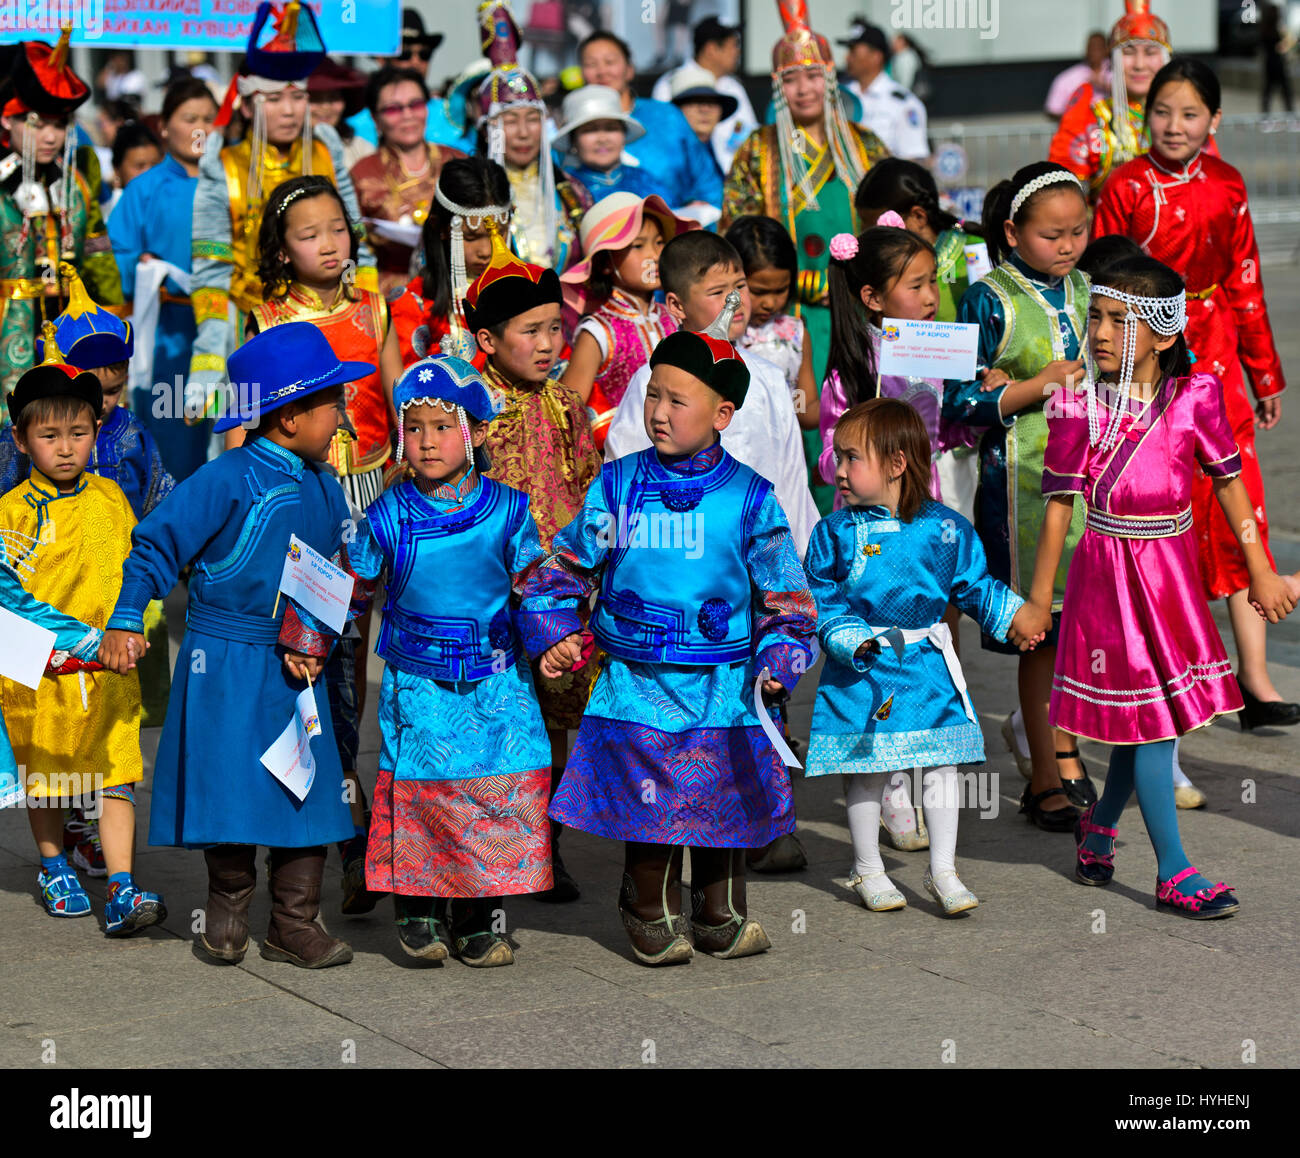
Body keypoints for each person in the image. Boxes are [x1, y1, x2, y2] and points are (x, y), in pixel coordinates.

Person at [519, 307, 819, 964]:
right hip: (636, 680)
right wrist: (556, 631)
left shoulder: (750, 498)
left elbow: (788, 599)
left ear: (721, 416)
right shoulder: (620, 486)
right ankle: (644, 902)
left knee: (723, 795)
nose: (658, 410)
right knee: (651, 801)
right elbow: (565, 566)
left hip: (725, 680)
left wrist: (780, 656)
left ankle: (720, 913)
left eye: (677, 400)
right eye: (653, 393)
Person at [1022, 254, 1295, 919]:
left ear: (1165, 333)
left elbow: (1230, 482)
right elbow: (1059, 505)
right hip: (1107, 579)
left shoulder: (1195, 397)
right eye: (1097, 317)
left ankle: (1100, 831)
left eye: (1122, 320)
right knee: (1151, 724)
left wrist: (1258, 567)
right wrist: (1037, 597)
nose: (1105, 332)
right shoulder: (1076, 402)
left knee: (1148, 720)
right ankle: (1174, 870)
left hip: (1170, 575)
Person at [99, 322, 371, 968]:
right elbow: (155, 544)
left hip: (298, 667)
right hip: (223, 659)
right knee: (230, 786)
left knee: (305, 791)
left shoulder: (326, 483)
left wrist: (319, 639)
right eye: (330, 402)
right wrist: (127, 618)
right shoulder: (225, 478)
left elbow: (335, 568)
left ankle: (293, 923)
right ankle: (226, 908)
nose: (340, 415)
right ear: (287, 415)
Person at [1093, 58, 1296, 733]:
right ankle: (1167, 674)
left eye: (1189, 114)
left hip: (1218, 359)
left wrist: (1262, 374)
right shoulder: (1124, 186)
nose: (1174, 126)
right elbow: (1105, 281)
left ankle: (1257, 681)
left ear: (1213, 120)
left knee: (1242, 508)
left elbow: (1246, 279)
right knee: (1166, 515)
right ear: (1143, 115)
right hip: (1151, 359)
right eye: (1162, 112)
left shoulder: (1229, 184)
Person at [350, 355, 554, 966]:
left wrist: (556, 639)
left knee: (494, 791)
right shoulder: (389, 514)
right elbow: (354, 586)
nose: (426, 441)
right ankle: (418, 911)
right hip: (418, 683)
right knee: (424, 791)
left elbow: (535, 585)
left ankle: (477, 916)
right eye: (414, 429)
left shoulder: (509, 510)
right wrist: (306, 641)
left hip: (498, 681)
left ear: (476, 434)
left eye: (442, 427)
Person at [804, 398, 1044, 914]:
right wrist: (849, 639)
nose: (838, 471)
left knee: (942, 765)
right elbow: (822, 597)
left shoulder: (945, 528)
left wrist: (1016, 614)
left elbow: (973, 585)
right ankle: (867, 867)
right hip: (862, 667)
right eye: (837, 458)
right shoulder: (833, 533)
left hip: (927, 664)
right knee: (867, 769)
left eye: (851, 459)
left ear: (896, 464)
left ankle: (943, 870)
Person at [943, 162, 1093, 832]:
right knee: (1041, 633)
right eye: (1052, 234)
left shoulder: (1089, 289)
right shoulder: (988, 299)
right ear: (1011, 231)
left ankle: (1066, 750)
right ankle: (1043, 776)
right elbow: (959, 402)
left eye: (1079, 232)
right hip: (1021, 493)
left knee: (1080, 631)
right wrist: (1033, 388)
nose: (1067, 246)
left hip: (1091, 489)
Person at [2, 327, 165, 936]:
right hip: (41, 671)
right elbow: (8, 598)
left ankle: (123, 885)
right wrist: (80, 640)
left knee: (117, 771)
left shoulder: (109, 499)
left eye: (79, 432)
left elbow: (137, 566)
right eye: (49, 436)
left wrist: (133, 627)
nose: (66, 448)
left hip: (112, 668)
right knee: (50, 776)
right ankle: (52, 864)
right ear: (21, 439)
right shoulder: (11, 513)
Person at [465, 223, 602, 902]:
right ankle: (486, 851)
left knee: (553, 724)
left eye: (555, 328)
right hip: (488, 593)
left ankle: (545, 849)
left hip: (560, 592)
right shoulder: (463, 409)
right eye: (531, 331)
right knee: (496, 721)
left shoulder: (568, 406)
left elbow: (589, 486)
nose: (550, 344)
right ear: (487, 340)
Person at [722, 0, 888, 513]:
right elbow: (737, 231)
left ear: (831, 77)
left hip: (860, 309)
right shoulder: (758, 151)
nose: (804, 89)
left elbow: (888, 226)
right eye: (791, 79)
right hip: (786, 316)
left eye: (813, 76)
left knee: (866, 410)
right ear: (777, 84)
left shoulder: (865, 147)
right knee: (801, 423)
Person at [189, 1, 376, 428]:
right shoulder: (224, 167)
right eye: (274, 99)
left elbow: (358, 250)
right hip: (251, 330)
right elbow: (210, 273)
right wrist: (208, 359)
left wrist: (361, 319)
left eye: (297, 97)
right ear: (248, 105)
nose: (290, 111)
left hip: (327, 325)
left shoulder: (326, 153)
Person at [603, 230, 820, 562]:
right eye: (718, 292)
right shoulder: (650, 377)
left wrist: (799, 565)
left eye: (741, 287)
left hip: (756, 558)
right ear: (676, 304)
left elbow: (790, 479)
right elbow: (624, 470)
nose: (736, 301)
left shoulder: (770, 379)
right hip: (673, 557)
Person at [0, 26, 124, 403]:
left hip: (70, 337)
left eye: (59, 125)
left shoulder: (76, 184)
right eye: (38, 124)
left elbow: (99, 258)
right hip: (9, 336)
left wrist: (112, 331)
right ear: (8, 121)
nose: (51, 137)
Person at [108, 77, 219, 481]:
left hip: (228, 327)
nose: (200, 128)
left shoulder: (233, 183)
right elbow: (118, 256)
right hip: (169, 333)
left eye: (209, 118)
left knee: (229, 430)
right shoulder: (144, 190)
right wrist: (144, 267)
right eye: (189, 118)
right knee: (173, 440)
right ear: (164, 126)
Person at [559, 192, 695, 448]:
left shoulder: (676, 318)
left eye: (659, 243)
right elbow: (567, 413)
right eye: (638, 246)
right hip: (623, 466)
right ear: (605, 262)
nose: (655, 256)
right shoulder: (598, 331)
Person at [476, 3, 593, 271]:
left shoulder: (572, 194)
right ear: (486, 129)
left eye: (532, 120)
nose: (524, 133)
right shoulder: (471, 195)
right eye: (510, 120)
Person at [1049, 1, 1184, 202]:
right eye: (1128, 52)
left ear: (1166, 59)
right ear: (1112, 60)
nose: (1139, 65)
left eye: (1150, 53)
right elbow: (1061, 194)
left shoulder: (1185, 114)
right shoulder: (1088, 116)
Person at [578, 29, 722, 217]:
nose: (602, 71)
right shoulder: (572, 128)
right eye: (591, 64)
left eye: (610, 62)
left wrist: (702, 213)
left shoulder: (667, 117)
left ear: (629, 69)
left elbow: (707, 182)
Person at [351, 65, 465, 296]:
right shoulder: (362, 174)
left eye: (415, 104)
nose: (408, 115)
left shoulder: (456, 162)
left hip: (455, 287)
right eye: (393, 109)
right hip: (390, 294)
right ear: (375, 118)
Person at [391, 157, 513, 366]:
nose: (485, 251)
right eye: (470, 237)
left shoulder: (528, 289)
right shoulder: (414, 304)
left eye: (497, 234)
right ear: (441, 228)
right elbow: (407, 387)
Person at [854, 158, 989, 326]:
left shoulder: (979, 252)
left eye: (877, 226)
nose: (866, 235)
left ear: (918, 217)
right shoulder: (875, 264)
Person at [726, 214, 819, 432]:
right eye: (759, 291)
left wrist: (841, 405)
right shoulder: (718, 331)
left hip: (779, 454)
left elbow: (803, 409)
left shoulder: (796, 335)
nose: (770, 303)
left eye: (780, 290)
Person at [651, 16, 759, 176]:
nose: (738, 51)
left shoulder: (733, 87)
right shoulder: (670, 84)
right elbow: (662, 142)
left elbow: (750, 135)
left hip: (736, 185)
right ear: (711, 49)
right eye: (733, 45)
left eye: (712, 103)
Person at [551, 85, 675, 207]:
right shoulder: (564, 190)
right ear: (573, 140)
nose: (603, 139)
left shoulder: (646, 181)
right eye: (590, 130)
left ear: (624, 134)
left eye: (611, 128)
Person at [838, 18, 929, 162]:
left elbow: (912, 161)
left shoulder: (903, 104)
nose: (847, 57)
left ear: (876, 57)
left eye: (853, 51)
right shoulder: (840, 97)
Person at [665, 66, 736, 200]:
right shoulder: (666, 158)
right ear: (675, 111)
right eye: (694, 102)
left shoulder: (725, 149)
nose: (705, 109)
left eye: (712, 103)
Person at [307, 57, 375, 171]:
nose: (325, 107)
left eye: (333, 98)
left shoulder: (361, 149)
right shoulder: (281, 150)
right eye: (315, 98)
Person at [1045, 32, 1112, 120]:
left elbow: (1131, 96)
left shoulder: (1118, 72)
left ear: (1107, 50)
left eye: (1098, 48)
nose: (1094, 52)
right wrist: (1075, 119)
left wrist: (1104, 86)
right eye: (1091, 48)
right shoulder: (1068, 77)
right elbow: (1053, 110)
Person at [105, 120, 161, 221]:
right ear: (117, 169)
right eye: (140, 166)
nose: (149, 174)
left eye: (155, 165)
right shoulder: (109, 220)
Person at [1260, 2, 1295, 115]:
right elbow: (1283, 47)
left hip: (1269, 64)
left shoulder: (1264, 30)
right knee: (1285, 90)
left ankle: (1265, 113)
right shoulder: (1277, 32)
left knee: (1268, 90)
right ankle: (1289, 112)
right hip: (1278, 64)